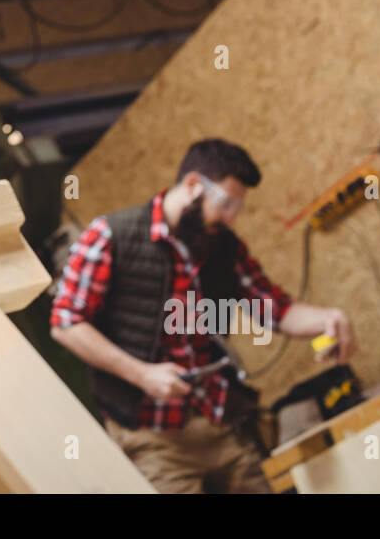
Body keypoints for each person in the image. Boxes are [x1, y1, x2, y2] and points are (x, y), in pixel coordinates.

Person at [49, 138, 357, 493]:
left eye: (237, 208)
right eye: (226, 204)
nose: (230, 218)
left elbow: (277, 309)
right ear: (194, 185)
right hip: (152, 436)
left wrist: (328, 319)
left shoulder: (223, 245)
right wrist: (143, 374)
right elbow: (66, 323)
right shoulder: (110, 237)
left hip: (220, 419)